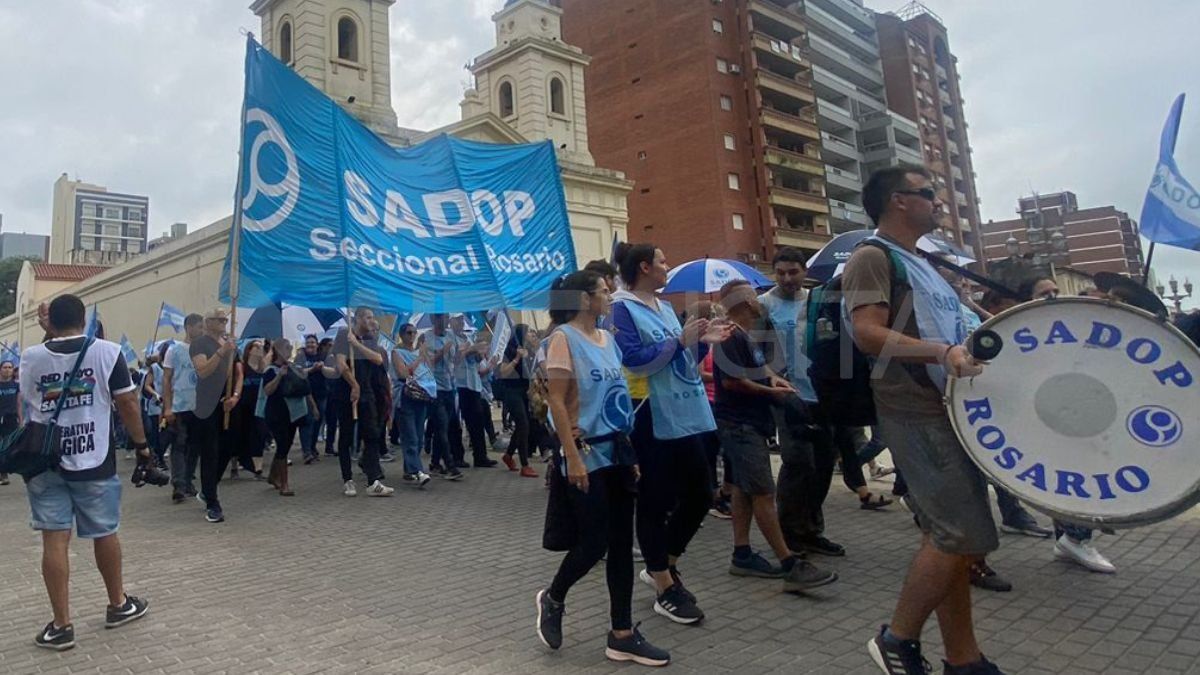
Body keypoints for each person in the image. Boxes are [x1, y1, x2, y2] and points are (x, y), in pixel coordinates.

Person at [845, 167, 1003, 674]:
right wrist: (941, 351)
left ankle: (964, 657)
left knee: (947, 535)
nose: (938, 202)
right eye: (928, 193)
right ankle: (897, 638)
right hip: (913, 408)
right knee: (960, 531)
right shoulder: (872, 257)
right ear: (898, 200)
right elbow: (866, 333)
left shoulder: (922, 262)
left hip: (945, 406)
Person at [535, 270, 670, 667]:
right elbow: (556, 400)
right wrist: (572, 457)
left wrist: (632, 455)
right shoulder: (562, 339)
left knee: (621, 545)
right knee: (593, 543)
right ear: (583, 299)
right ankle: (553, 597)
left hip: (618, 451)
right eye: (603, 292)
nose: (610, 297)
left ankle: (622, 633)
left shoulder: (608, 339)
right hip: (586, 454)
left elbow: (618, 395)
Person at [610, 242, 731, 625]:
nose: (668, 266)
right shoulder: (620, 308)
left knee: (700, 493)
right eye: (662, 261)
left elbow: (680, 362)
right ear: (645, 267)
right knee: (655, 499)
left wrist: (700, 344)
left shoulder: (663, 308)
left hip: (683, 410)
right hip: (647, 413)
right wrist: (679, 341)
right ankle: (664, 584)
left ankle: (665, 562)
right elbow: (634, 360)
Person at [21, 294, 151, 651]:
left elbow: (29, 398)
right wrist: (142, 445)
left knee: (54, 539)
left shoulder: (30, 357)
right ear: (84, 320)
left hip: (44, 460)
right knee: (104, 533)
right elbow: (127, 402)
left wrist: (49, 335)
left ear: (50, 323)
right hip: (95, 458)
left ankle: (61, 625)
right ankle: (118, 604)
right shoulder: (108, 353)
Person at [760, 247, 889, 563]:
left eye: (793, 272)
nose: (787, 279)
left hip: (824, 393)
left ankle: (811, 531)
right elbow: (754, 350)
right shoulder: (763, 305)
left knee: (822, 464)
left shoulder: (819, 300)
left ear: (804, 272)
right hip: (788, 395)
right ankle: (790, 534)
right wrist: (771, 377)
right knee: (797, 462)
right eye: (781, 273)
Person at [713, 279, 839, 592]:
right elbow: (732, 382)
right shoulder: (729, 336)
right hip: (740, 426)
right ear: (744, 302)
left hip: (750, 423)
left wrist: (773, 379)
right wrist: (772, 393)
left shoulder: (746, 334)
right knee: (763, 492)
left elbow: (758, 369)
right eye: (752, 295)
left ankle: (742, 554)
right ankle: (789, 563)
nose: (758, 299)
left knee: (742, 488)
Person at [333, 308, 395, 497]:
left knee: (372, 435)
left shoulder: (368, 338)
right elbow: (341, 364)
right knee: (346, 436)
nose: (371, 320)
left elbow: (378, 359)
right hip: (347, 393)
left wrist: (357, 345)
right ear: (358, 318)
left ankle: (373, 481)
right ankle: (347, 480)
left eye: (372, 317)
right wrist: (354, 384)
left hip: (367, 393)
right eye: (368, 317)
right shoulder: (343, 335)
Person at [188, 307, 240, 524]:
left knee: (228, 448)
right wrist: (222, 352)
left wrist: (234, 396)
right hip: (206, 404)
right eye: (219, 320)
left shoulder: (229, 344)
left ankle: (208, 488)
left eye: (225, 320)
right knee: (210, 452)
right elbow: (203, 371)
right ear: (208, 322)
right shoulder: (200, 344)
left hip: (225, 403)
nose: (223, 323)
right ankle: (212, 502)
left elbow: (237, 373)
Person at [262, 339, 314, 496]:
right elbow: (268, 390)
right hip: (276, 413)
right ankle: (284, 484)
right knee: (283, 445)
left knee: (285, 445)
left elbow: (304, 382)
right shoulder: (270, 370)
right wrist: (279, 376)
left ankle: (273, 476)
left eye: (290, 347)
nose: (289, 350)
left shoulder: (292, 366)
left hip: (292, 413)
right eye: (286, 347)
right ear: (278, 350)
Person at [162, 314, 203, 505]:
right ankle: (178, 483)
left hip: (199, 405)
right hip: (180, 405)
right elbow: (167, 379)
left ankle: (188, 480)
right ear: (189, 327)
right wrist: (167, 407)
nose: (202, 331)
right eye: (199, 327)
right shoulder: (174, 350)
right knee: (179, 444)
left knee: (194, 446)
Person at [391, 323, 434, 488]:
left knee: (418, 435)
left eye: (414, 332)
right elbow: (403, 373)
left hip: (421, 395)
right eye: (409, 333)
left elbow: (429, 370)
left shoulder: (419, 351)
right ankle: (418, 471)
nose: (412, 336)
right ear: (402, 335)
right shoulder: (397, 352)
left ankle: (409, 470)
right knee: (410, 436)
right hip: (405, 396)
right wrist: (418, 359)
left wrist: (425, 355)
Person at [452, 314, 496, 468]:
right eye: (457, 320)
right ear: (451, 321)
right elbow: (455, 359)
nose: (460, 322)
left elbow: (475, 360)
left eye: (461, 320)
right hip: (459, 384)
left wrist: (479, 352)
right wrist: (470, 349)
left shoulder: (468, 337)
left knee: (478, 421)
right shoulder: (450, 338)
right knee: (457, 423)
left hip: (473, 383)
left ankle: (480, 456)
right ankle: (457, 456)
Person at [426, 314, 466, 479]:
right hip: (435, 388)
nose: (444, 322)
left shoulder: (451, 336)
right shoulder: (427, 337)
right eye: (440, 318)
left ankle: (435, 463)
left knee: (441, 427)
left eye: (446, 318)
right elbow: (428, 362)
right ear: (433, 320)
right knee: (442, 427)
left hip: (450, 386)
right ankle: (450, 465)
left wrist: (462, 353)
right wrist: (443, 351)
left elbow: (455, 361)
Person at [497, 323, 539, 477]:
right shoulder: (510, 350)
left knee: (523, 425)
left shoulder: (530, 352)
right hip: (512, 392)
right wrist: (517, 358)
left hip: (524, 392)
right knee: (523, 424)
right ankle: (525, 464)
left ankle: (508, 455)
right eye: (528, 333)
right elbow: (503, 372)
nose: (530, 335)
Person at [227, 340, 269, 481]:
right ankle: (234, 466)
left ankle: (258, 469)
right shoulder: (242, 367)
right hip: (241, 407)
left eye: (261, 347)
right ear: (249, 350)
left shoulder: (263, 369)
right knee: (237, 436)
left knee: (259, 435)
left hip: (258, 408)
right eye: (256, 346)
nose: (259, 349)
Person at [298, 334, 332, 464]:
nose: (310, 345)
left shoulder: (322, 356)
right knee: (307, 421)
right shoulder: (301, 357)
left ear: (317, 345)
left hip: (321, 393)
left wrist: (323, 367)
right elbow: (299, 372)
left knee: (318, 421)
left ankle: (312, 447)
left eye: (313, 342)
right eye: (308, 343)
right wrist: (312, 369)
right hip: (306, 393)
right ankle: (306, 451)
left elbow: (331, 371)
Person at [0, 359, 21, 486]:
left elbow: (18, 404)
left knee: (7, 446)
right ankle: (3, 473)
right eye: (5, 367)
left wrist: (21, 419)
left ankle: (4, 472)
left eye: (10, 367)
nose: (7, 370)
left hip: (11, 418)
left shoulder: (15, 386)